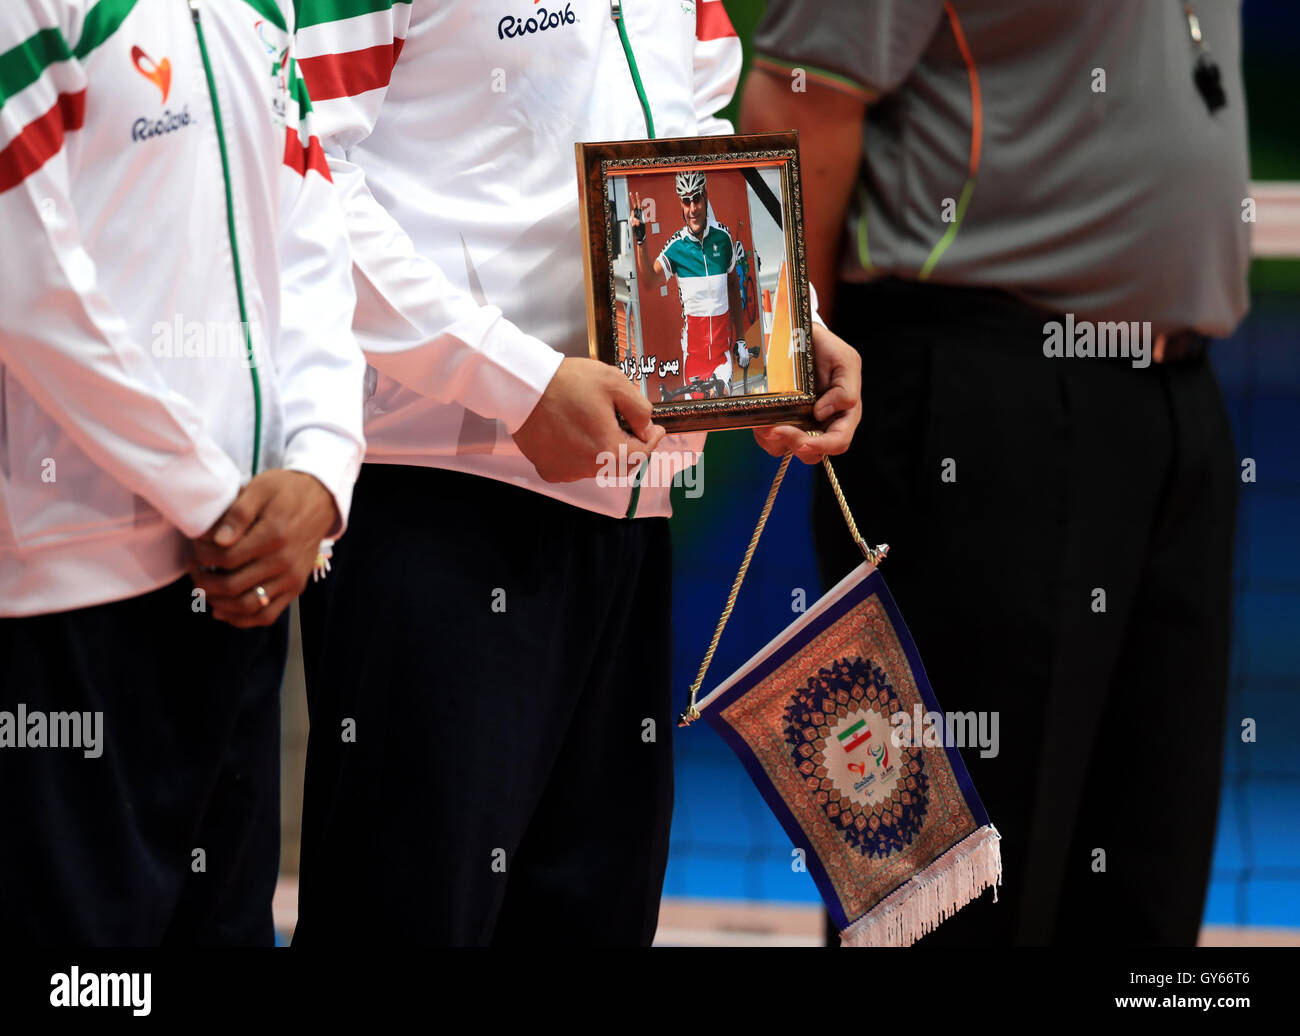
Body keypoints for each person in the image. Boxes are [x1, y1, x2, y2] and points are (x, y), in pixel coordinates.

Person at [290, 0, 861, 945]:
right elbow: (305, 179)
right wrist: (514, 382)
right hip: (437, 494)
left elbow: (689, 132)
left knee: (592, 917)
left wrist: (781, 330)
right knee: (409, 918)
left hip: (626, 500)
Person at [744, 0, 1247, 946]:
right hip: (981, 405)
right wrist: (783, 362)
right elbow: (801, 90)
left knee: (1147, 894)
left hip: (1179, 400)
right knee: (955, 903)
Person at [0, 0, 365, 945]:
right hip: (65, 597)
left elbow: (309, 230)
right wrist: (217, 501)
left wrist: (320, 472)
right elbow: (27, 286)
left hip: (239, 584)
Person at [632, 172, 749, 399]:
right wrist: (641, 241)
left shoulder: (723, 239)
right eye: (686, 201)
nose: (693, 208)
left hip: (721, 357)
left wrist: (742, 339)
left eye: (696, 199)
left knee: (720, 403)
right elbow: (649, 279)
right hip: (693, 361)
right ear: (681, 204)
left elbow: (734, 286)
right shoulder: (677, 247)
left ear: (705, 197)